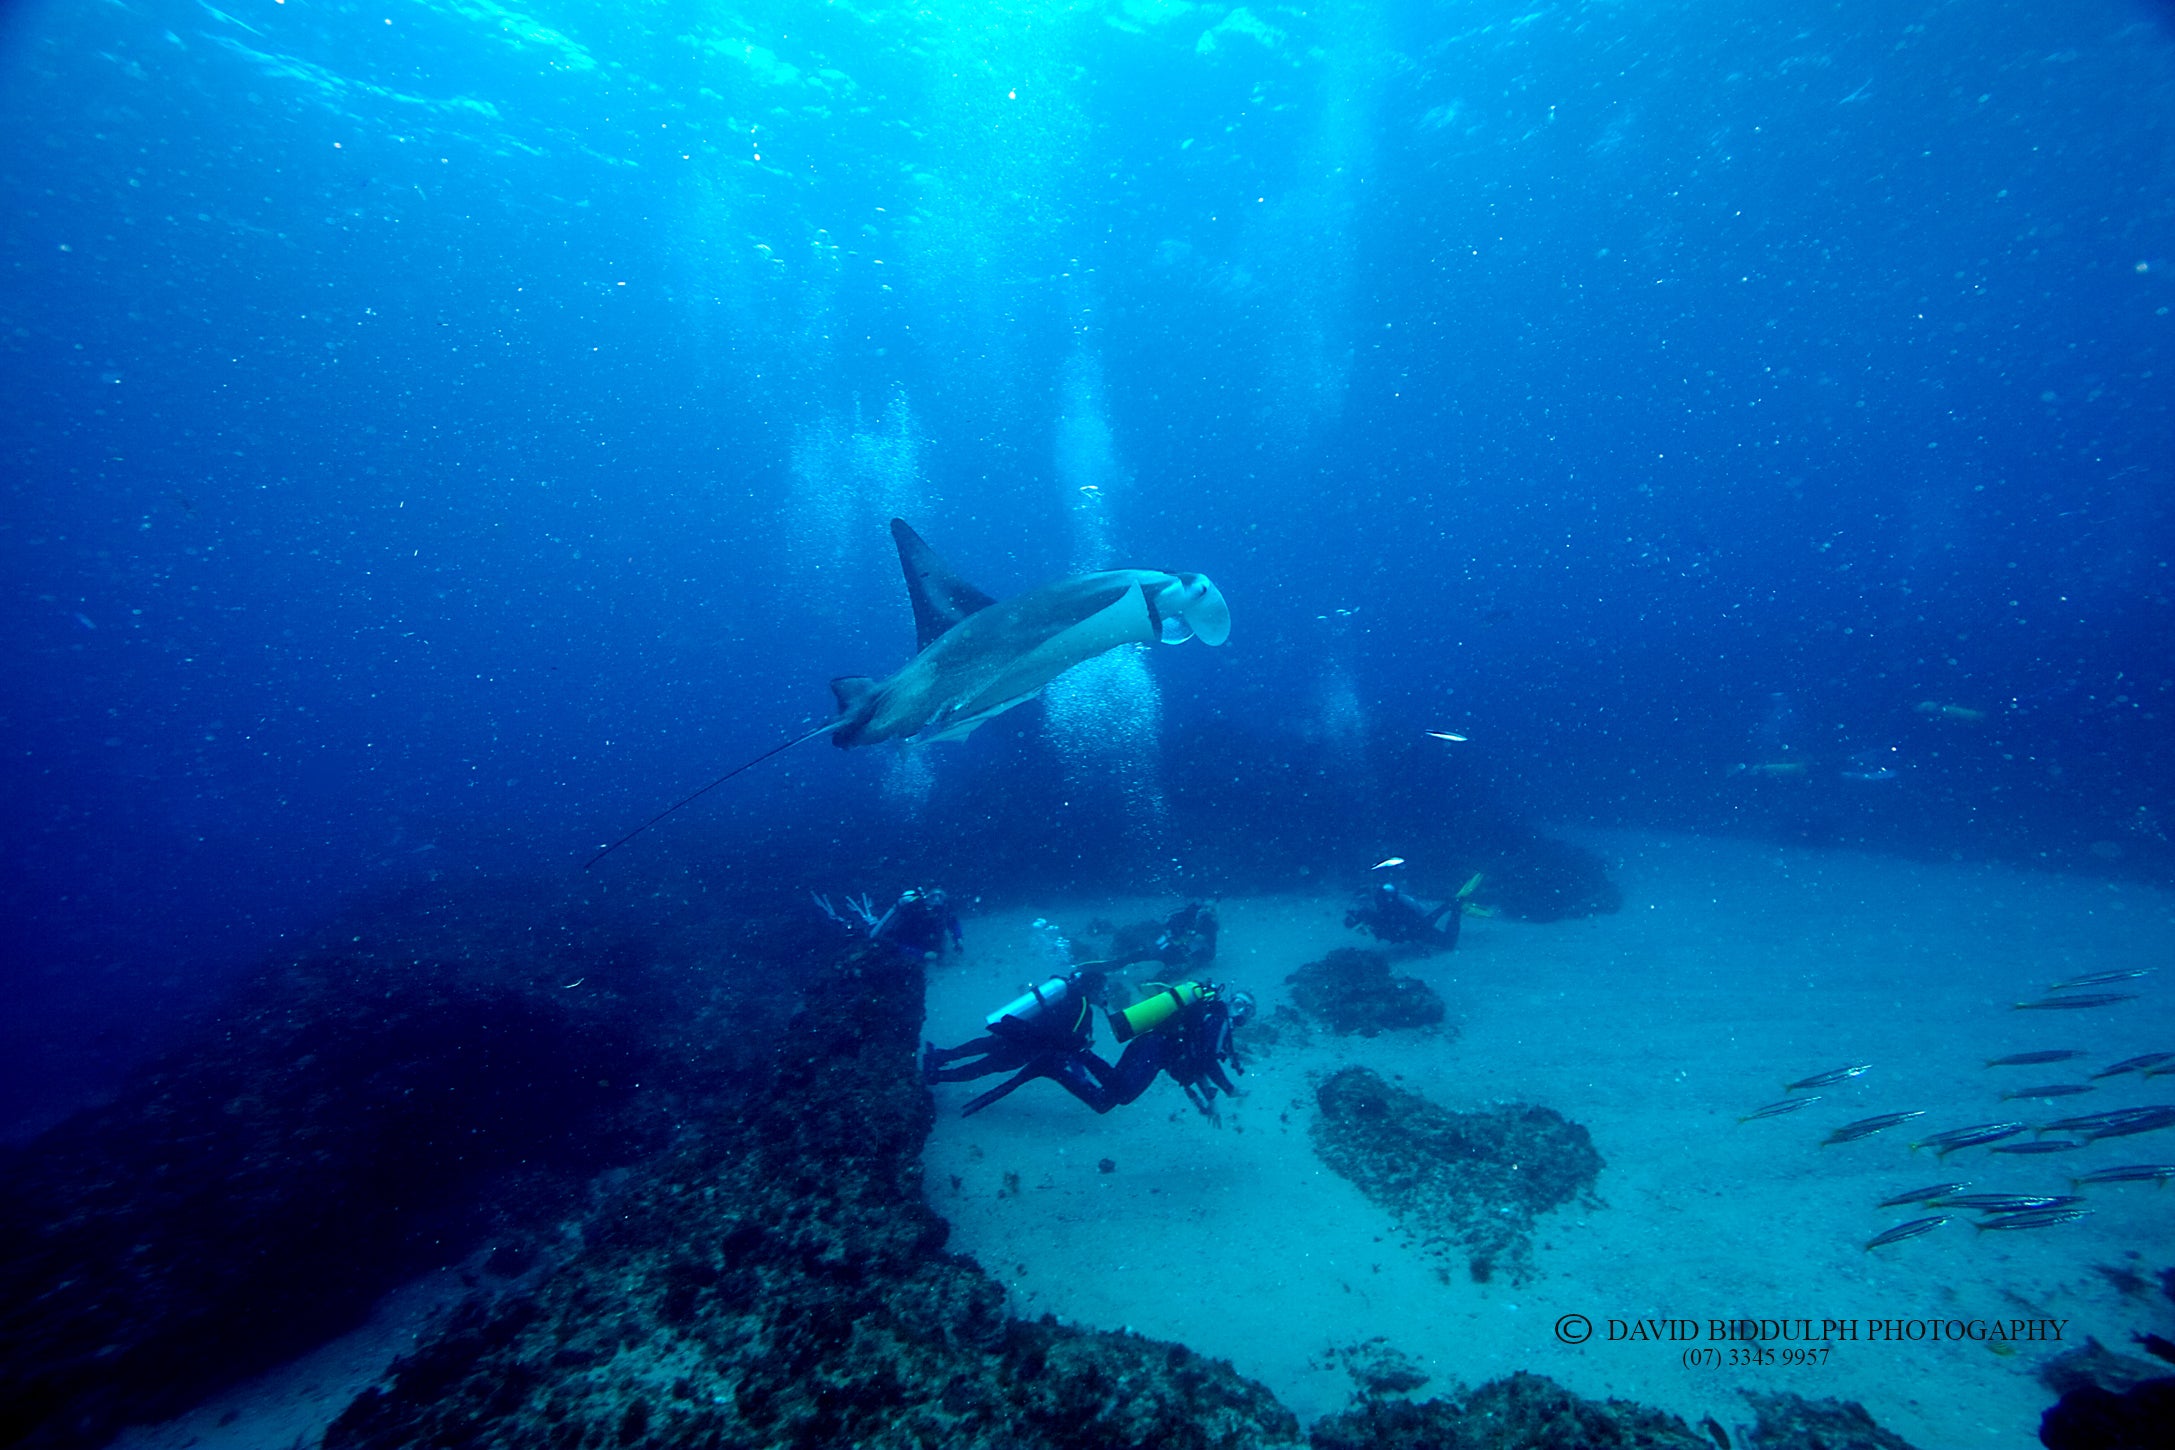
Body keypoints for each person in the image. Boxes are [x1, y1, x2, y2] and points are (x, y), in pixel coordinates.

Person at [923, 964, 1111, 1115]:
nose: (1106, 994)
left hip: (1016, 1029)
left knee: (983, 1045)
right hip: (1029, 1046)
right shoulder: (1084, 1010)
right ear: (1093, 989)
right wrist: (1081, 1070)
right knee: (983, 1067)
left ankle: (939, 1057)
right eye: (1103, 990)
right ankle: (937, 1076)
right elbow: (1071, 1045)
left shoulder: (1066, 993)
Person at [1344, 877, 1472, 950]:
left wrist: (1446, 908)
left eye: (1361, 929)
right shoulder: (1371, 915)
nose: (1363, 933)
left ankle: (1455, 906)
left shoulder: (1389, 913)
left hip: (1413, 924)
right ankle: (1450, 904)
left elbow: (1421, 925)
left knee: (1448, 943)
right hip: (1409, 924)